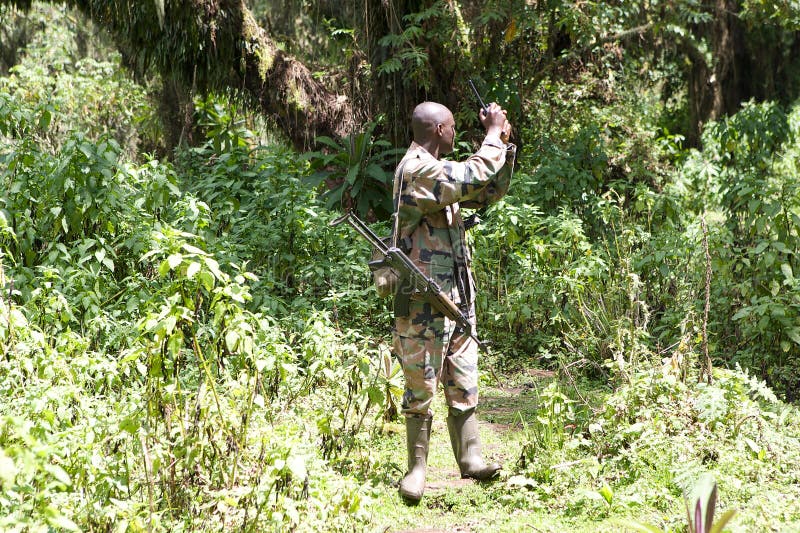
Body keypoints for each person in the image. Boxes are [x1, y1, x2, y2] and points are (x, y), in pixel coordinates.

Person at [391, 100, 515, 502]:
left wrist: (505, 147)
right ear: (440, 130)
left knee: (463, 374)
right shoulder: (417, 169)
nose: (456, 133)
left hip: (456, 294)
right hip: (422, 296)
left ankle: (471, 457)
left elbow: (486, 189)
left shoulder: (438, 173)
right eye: (452, 128)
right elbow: (472, 171)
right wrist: (492, 133)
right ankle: (417, 469)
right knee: (421, 381)